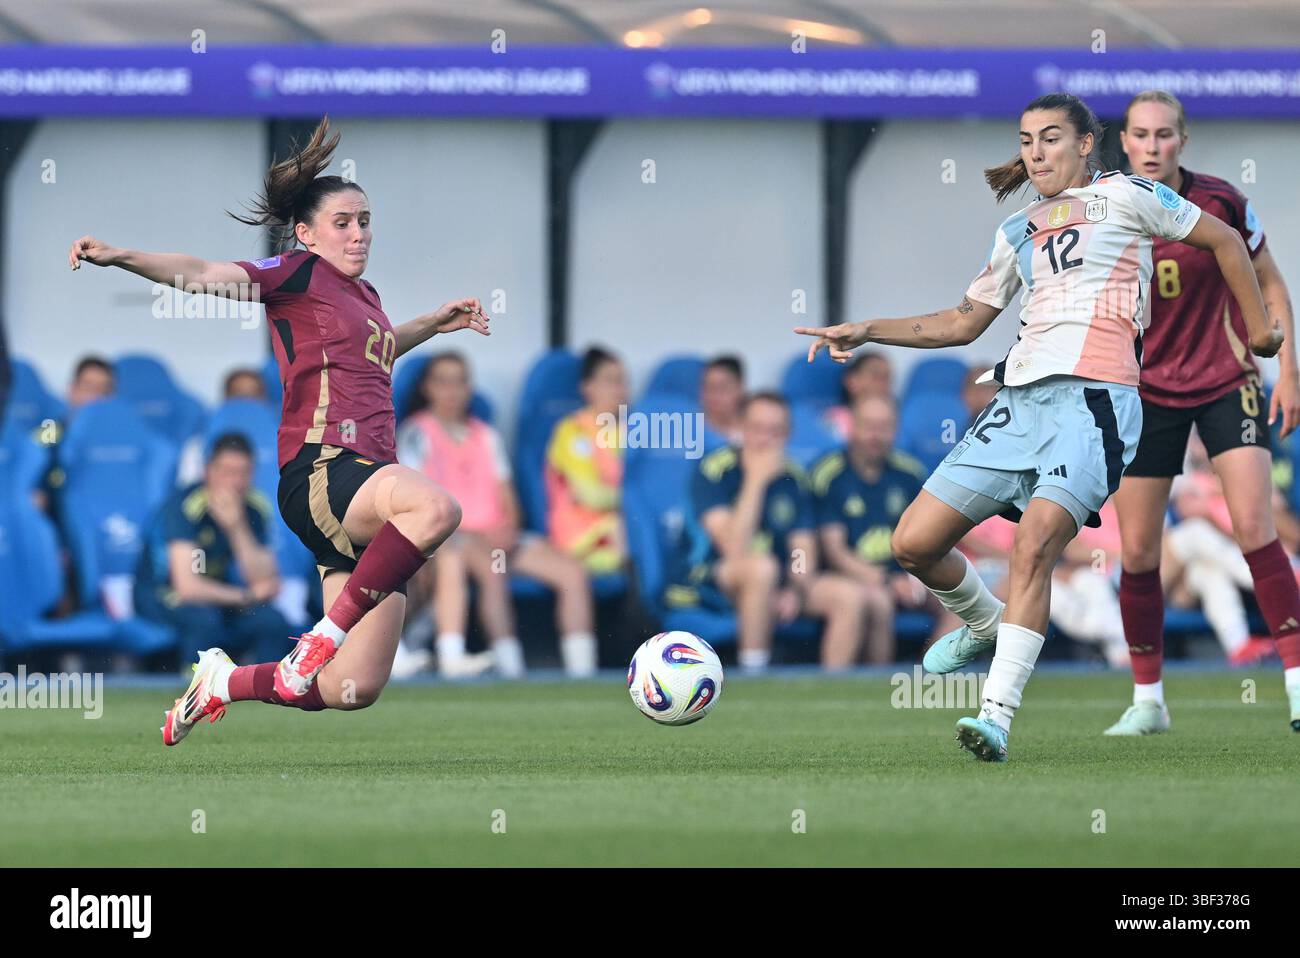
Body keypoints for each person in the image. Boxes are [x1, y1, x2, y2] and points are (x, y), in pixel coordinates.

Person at [796, 92, 1281, 762]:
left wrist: (1259, 329)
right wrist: (867, 328)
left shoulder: (1128, 196)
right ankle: (983, 620)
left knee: (1035, 543)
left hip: (1097, 404)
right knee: (913, 544)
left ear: (1087, 143)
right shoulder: (1016, 230)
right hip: (1016, 404)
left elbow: (1225, 240)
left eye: (1052, 138)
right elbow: (963, 322)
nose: (1036, 152)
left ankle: (994, 715)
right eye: (1026, 140)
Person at [69, 116, 491, 745]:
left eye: (365, 221)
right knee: (437, 508)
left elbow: (375, 351)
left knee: (355, 687)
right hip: (326, 470)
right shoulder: (295, 274)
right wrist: (121, 256)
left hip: (363, 497)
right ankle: (318, 638)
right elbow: (204, 273)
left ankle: (222, 683)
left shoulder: (365, 296)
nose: (358, 234)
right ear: (305, 234)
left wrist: (431, 324)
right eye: (343, 223)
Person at [1103, 90, 1300, 734]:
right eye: (1141, 135)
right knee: (1136, 551)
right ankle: (1148, 700)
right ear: (1125, 142)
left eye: (1165, 135)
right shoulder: (1101, 209)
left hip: (1226, 379)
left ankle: (1298, 684)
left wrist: (1287, 370)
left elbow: (1270, 282)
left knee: (1253, 526)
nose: (1153, 146)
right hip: (1144, 392)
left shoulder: (1220, 203)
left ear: (1182, 141)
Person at [398, 351, 598, 678]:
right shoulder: (416, 433)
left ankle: (582, 673)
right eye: (442, 382)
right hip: (449, 538)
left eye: (460, 382)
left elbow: (508, 500)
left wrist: (507, 529)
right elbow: (415, 501)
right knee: (491, 567)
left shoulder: (486, 435)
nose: (452, 391)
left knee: (572, 573)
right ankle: (508, 666)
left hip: (497, 537)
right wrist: (474, 536)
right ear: (427, 388)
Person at [665, 392, 872, 671]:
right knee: (761, 569)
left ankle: (832, 689)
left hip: (777, 582)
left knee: (849, 596)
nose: (766, 440)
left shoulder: (794, 478)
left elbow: (801, 552)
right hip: (710, 580)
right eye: (757, 429)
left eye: (776, 431)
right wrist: (756, 481)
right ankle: (755, 673)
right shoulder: (714, 470)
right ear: (740, 428)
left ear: (788, 434)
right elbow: (733, 548)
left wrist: (796, 590)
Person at [811, 394, 962, 662]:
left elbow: (928, 538)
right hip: (849, 577)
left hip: (906, 575)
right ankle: (878, 685)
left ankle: (927, 679)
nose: (876, 435)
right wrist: (887, 580)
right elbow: (835, 553)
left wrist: (916, 578)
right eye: (868, 426)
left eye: (884, 427)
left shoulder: (910, 473)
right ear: (852, 426)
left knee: (962, 601)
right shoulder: (829, 474)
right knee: (878, 599)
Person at [135, 432, 291, 670]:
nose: (236, 482)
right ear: (208, 471)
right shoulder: (185, 507)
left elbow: (267, 582)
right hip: (162, 594)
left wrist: (237, 528)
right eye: (228, 472)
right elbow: (187, 587)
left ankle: (265, 692)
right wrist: (247, 597)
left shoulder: (254, 507)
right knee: (204, 622)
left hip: (216, 595)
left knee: (272, 622)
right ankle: (193, 693)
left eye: (244, 473)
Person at [544, 346, 627, 575]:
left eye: (622, 381)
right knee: (639, 558)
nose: (620, 390)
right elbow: (590, 495)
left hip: (619, 530)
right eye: (611, 381)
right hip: (579, 539)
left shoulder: (630, 432)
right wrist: (634, 499)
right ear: (587, 387)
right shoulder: (572, 431)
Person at [825, 351, 893, 440]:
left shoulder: (897, 422)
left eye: (886, 377)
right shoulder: (834, 422)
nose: (883, 384)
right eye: (876, 376)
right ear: (851, 381)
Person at [699, 355, 745, 447]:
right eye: (708, 386)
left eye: (722, 387)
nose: (713, 394)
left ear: (740, 388)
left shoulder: (754, 432)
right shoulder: (691, 430)